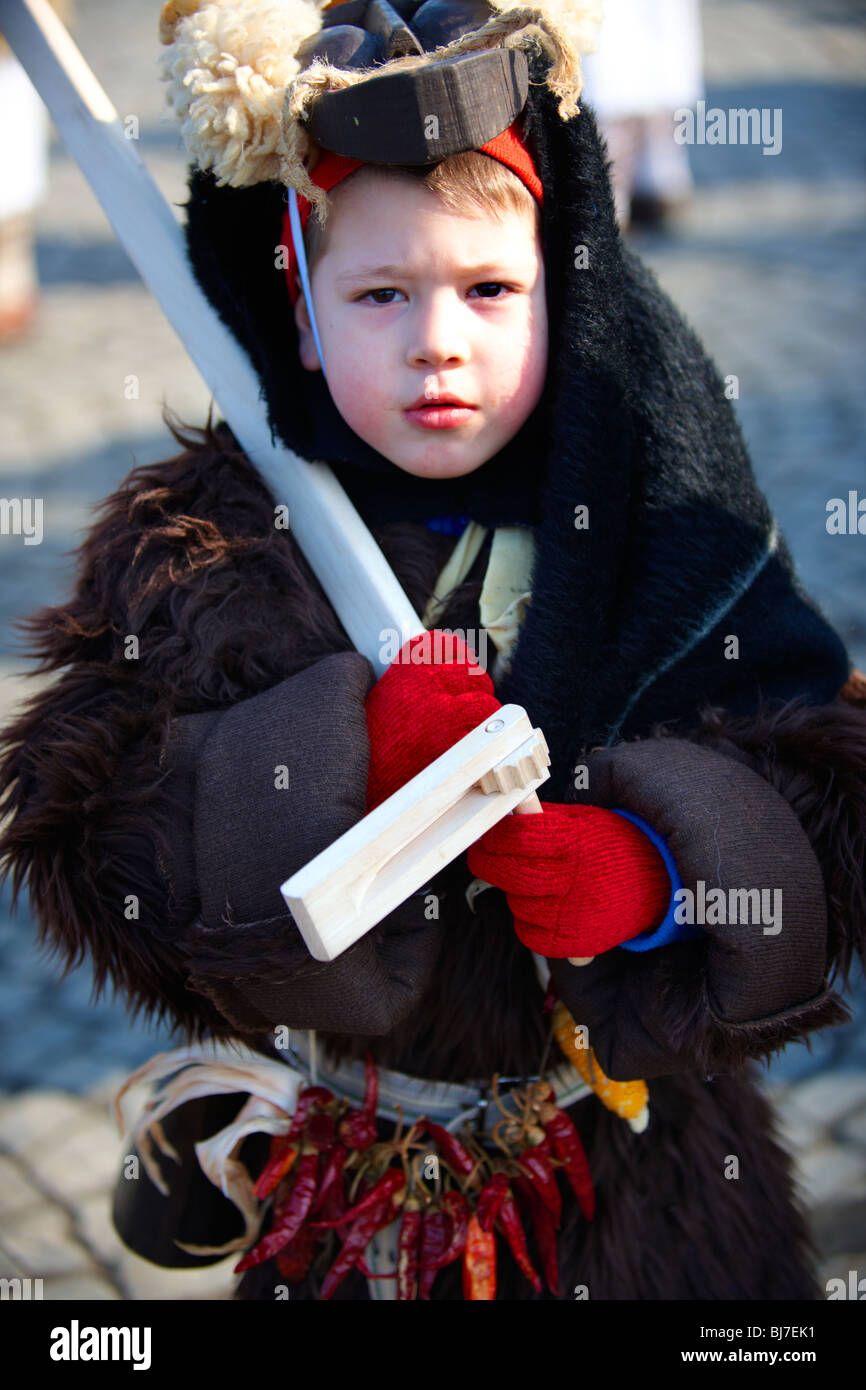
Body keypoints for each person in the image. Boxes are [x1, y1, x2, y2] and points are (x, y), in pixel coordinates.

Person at [1, 0, 864, 1301]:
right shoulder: (207, 542)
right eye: (380, 293)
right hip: (353, 1179)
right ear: (300, 307)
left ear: (563, 287)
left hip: (642, 1164)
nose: (436, 340)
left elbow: (819, 762)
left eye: (488, 289)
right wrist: (332, 763)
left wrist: (665, 869)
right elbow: (93, 824)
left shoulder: (655, 509)